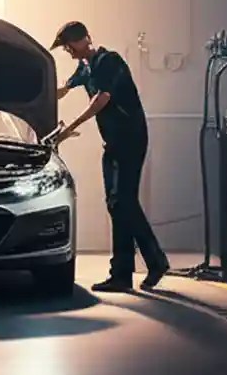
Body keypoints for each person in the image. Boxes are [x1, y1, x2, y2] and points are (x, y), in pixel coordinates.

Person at [49, 21, 171, 292]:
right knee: (118, 203)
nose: (68, 51)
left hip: (131, 138)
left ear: (84, 40)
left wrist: (70, 127)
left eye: (70, 45)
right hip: (113, 142)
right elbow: (61, 90)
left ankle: (143, 265)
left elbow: (101, 98)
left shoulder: (108, 61)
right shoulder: (86, 68)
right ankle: (132, 271)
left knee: (123, 201)